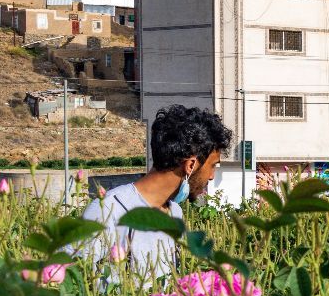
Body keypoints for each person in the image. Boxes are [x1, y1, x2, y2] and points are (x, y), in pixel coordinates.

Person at [80, 105, 232, 280]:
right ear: (191, 165)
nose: (212, 176)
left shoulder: (175, 212)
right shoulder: (109, 210)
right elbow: (71, 277)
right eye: (213, 166)